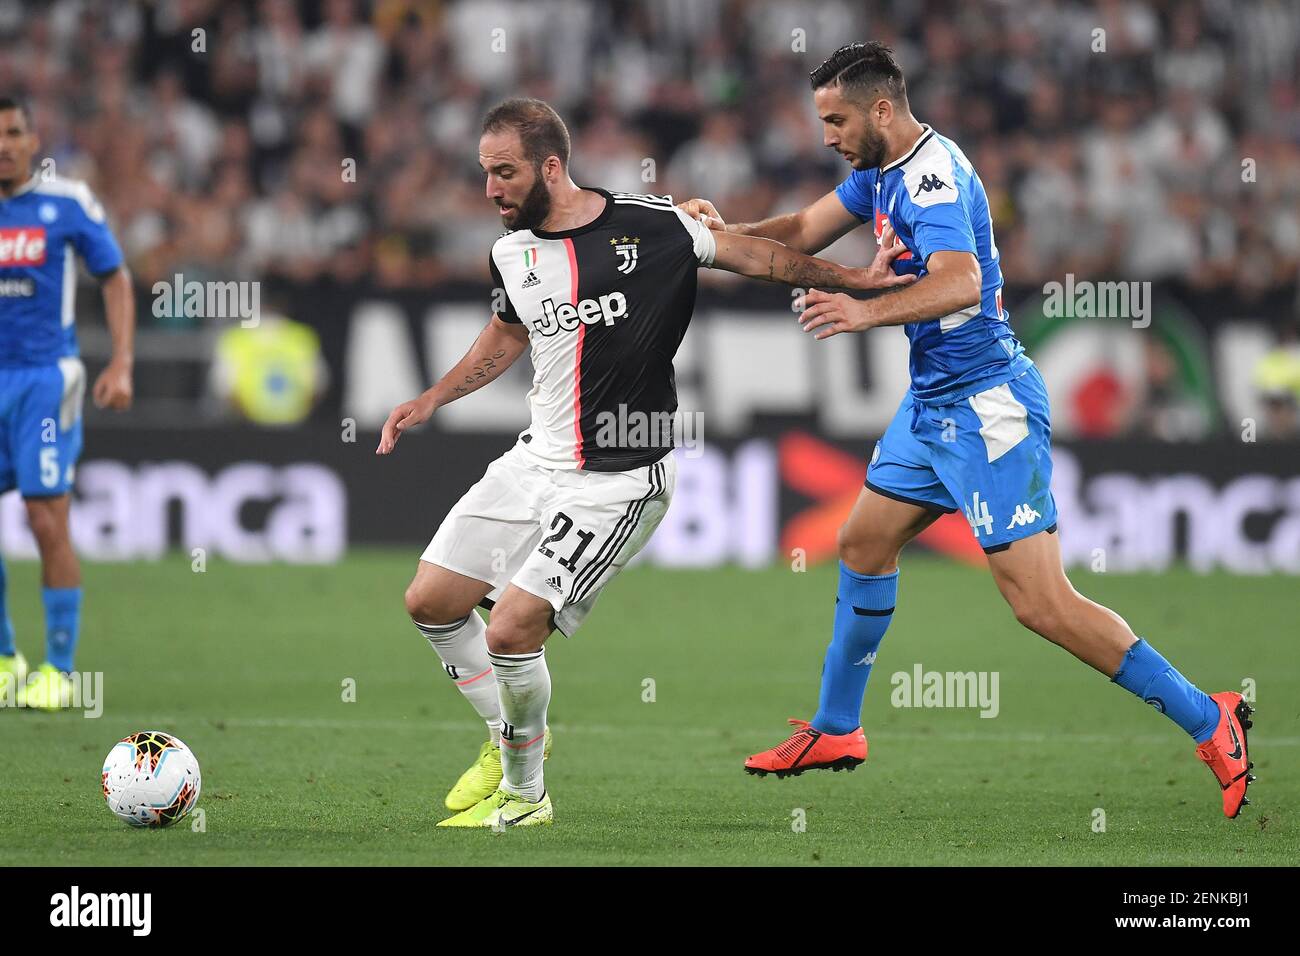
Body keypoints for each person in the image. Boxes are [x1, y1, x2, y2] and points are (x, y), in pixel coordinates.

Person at [678, 43, 1254, 818]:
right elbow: (803, 231)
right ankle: (837, 729)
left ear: (882, 109)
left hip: (988, 409)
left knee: (1042, 606)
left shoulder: (932, 175)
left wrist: (863, 309)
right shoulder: (878, 171)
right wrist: (716, 236)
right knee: (863, 543)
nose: (826, 135)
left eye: (836, 119)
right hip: (932, 406)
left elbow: (962, 281)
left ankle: (1207, 716)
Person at [377, 97, 912, 828]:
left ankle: (526, 794)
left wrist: (857, 281)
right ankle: (510, 732)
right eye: (485, 174)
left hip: (620, 478)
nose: (491, 190)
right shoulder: (510, 252)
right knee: (429, 602)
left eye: (504, 173)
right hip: (535, 461)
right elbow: (507, 335)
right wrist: (432, 398)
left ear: (551, 168)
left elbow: (760, 257)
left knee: (509, 632)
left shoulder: (652, 225)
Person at [0, 97, 135, 710]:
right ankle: (6, 660)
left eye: (14, 132)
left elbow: (114, 275)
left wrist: (122, 361)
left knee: (43, 517)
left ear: (33, 140)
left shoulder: (67, 203)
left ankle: (58, 669)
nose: (4, 144)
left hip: (44, 383)